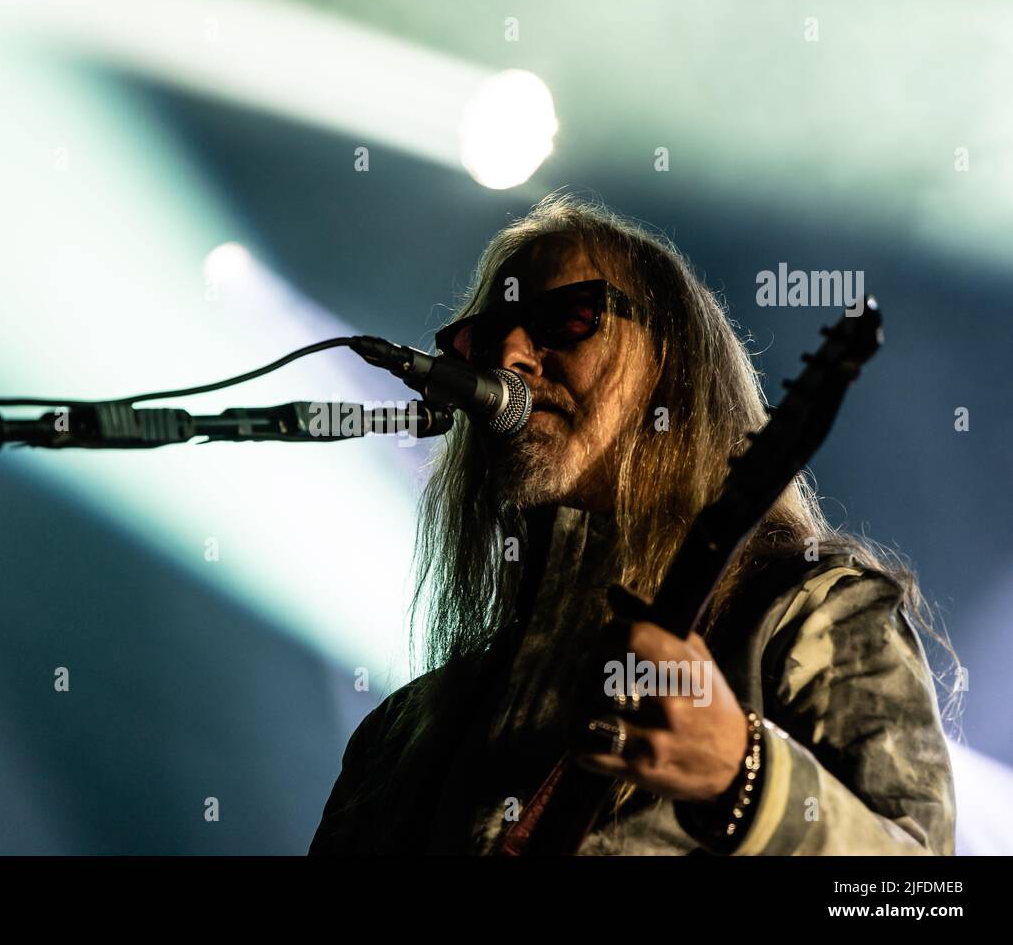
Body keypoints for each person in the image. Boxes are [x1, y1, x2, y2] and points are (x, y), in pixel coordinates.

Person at [308, 193, 957, 855]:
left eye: (565, 317)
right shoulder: (401, 735)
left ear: (671, 369)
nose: (509, 358)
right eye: (480, 340)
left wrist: (746, 780)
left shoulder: (807, 618)